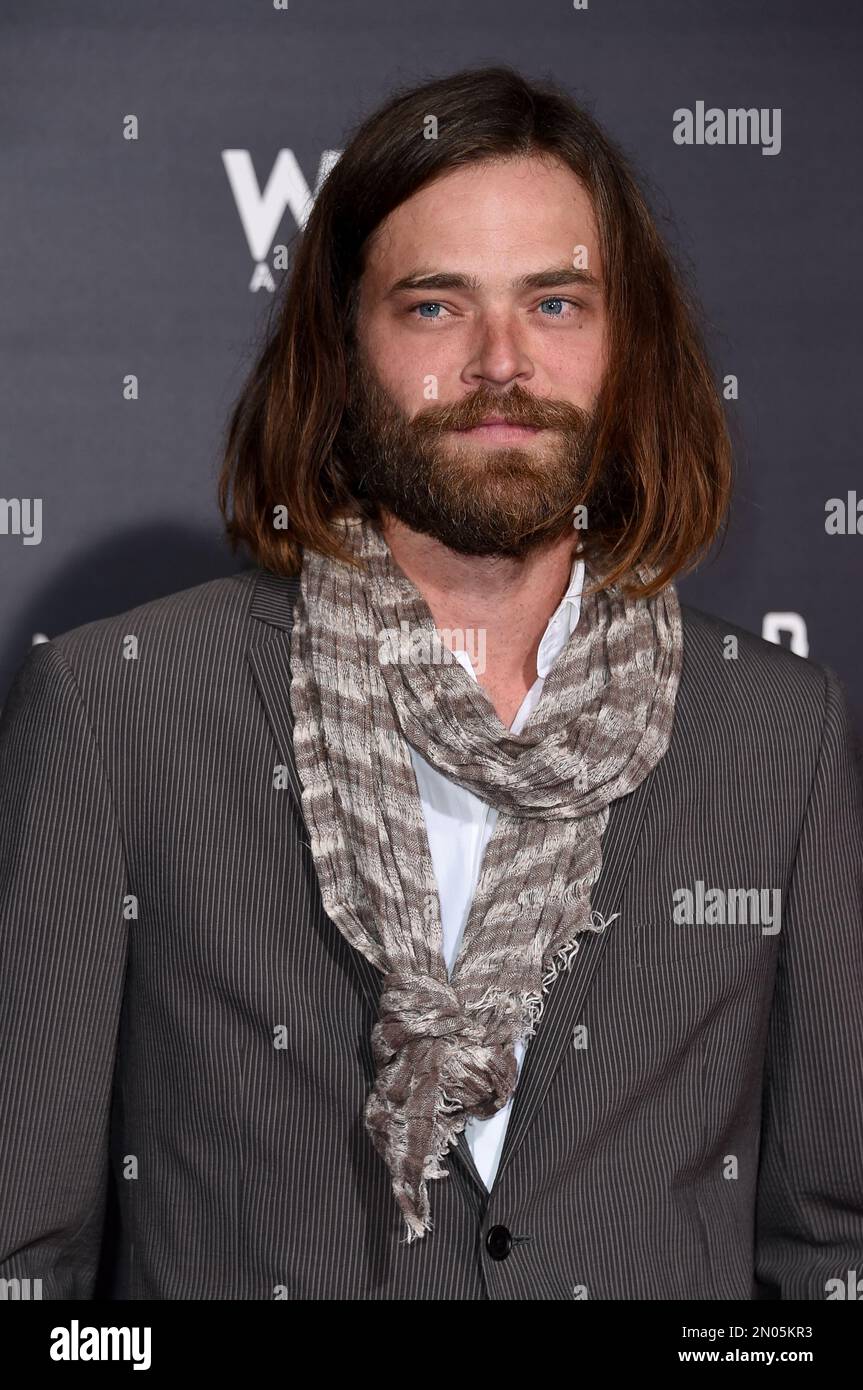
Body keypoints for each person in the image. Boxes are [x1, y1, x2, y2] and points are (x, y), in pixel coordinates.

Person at [1, 65, 861, 1301]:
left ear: (628, 349)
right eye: (434, 307)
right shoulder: (118, 708)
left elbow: (832, 1247)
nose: (500, 363)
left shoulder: (775, 734)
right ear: (341, 347)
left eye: (555, 304)